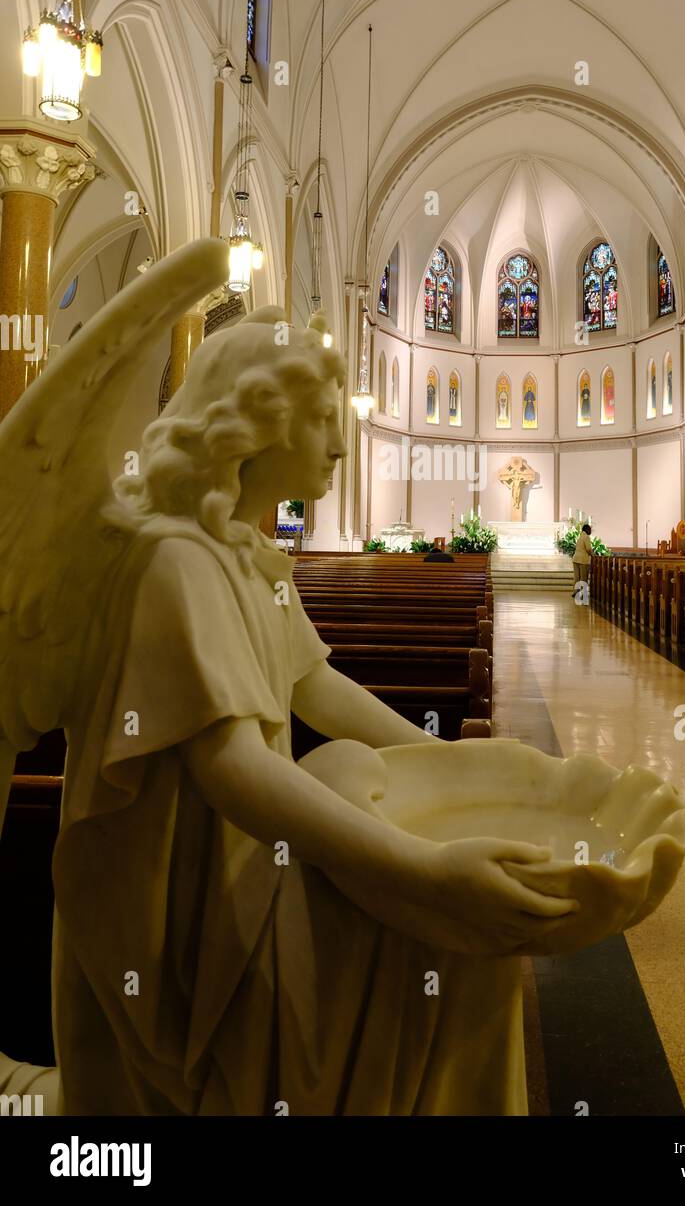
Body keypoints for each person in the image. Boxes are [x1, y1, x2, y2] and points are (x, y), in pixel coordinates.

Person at [0, 240, 577, 1118]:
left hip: (242, 866)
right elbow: (231, 768)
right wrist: (426, 872)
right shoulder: (172, 563)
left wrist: (470, 772)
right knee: (452, 939)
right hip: (181, 930)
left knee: (380, 811)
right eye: (321, 419)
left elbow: (319, 690)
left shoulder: (248, 558)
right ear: (257, 420)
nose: (344, 442)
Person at [572, 522, 593, 595]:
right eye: (590, 529)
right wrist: (592, 554)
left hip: (576, 559)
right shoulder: (586, 537)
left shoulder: (580, 537)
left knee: (577, 577)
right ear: (587, 529)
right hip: (583, 560)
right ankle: (583, 595)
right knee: (584, 578)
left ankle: (575, 592)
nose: (591, 531)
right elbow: (588, 549)